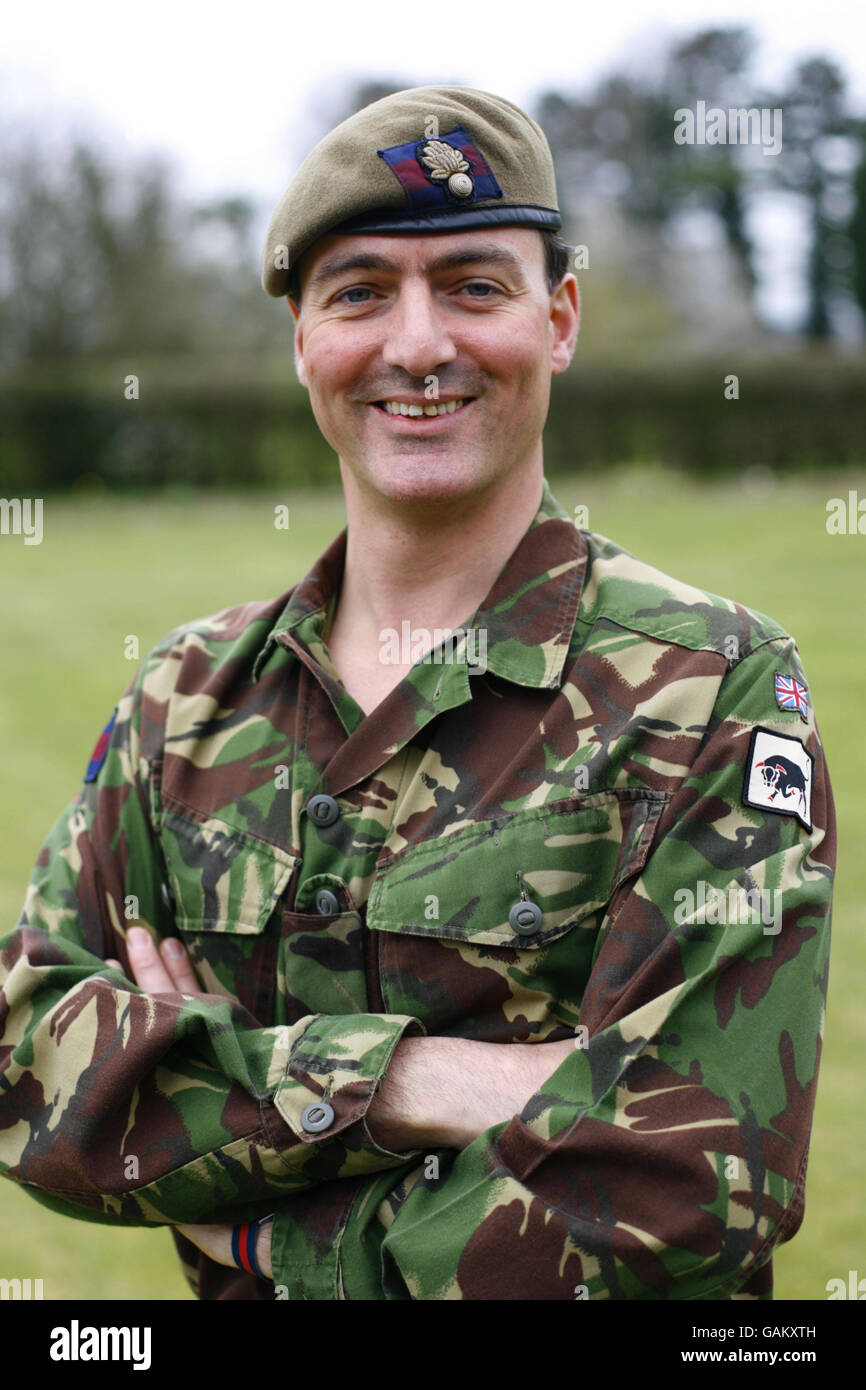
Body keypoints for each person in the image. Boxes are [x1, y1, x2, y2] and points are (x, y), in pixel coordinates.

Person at [0, 85, 835, 1301]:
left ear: (557, 320)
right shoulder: (184, 697)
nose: (417, 344)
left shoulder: (711, 686)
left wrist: (258, 1211)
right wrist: (413, 1082)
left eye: (473, 287)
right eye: (359, 292)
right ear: (302, 342)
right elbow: (29, 1071)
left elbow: (694, 1174)